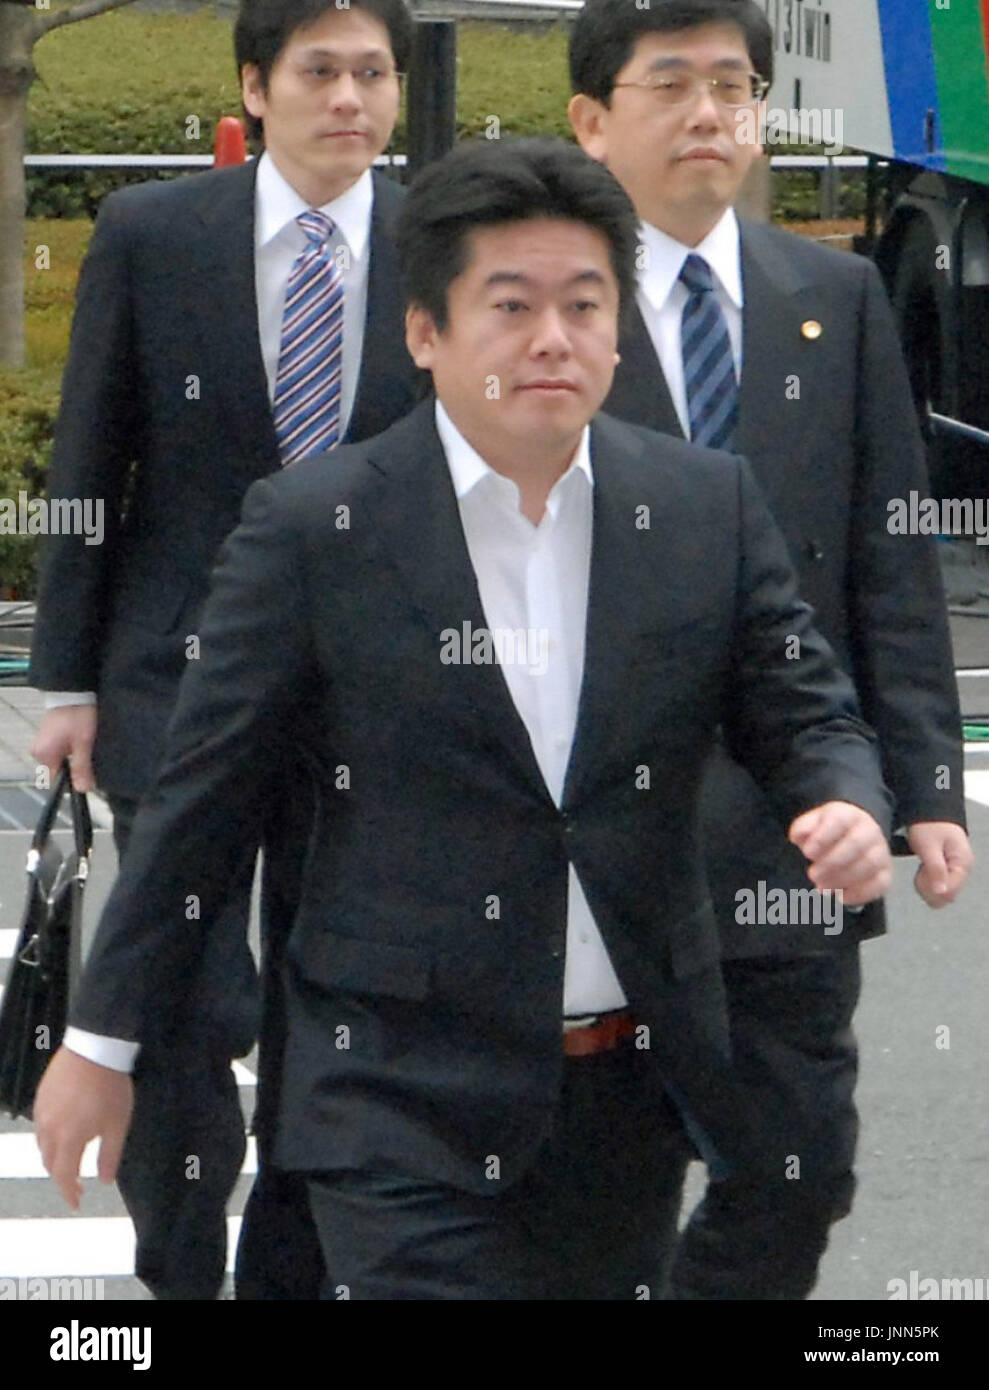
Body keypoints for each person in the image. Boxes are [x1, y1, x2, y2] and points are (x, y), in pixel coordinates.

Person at [34, 136, 897, 1301]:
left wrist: (840, 795)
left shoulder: (699, 507)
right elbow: (199, 802)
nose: (554, 337)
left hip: (622, 1079)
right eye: (512, 304)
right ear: (424, 332)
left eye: (585, 304)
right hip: (395, 1088)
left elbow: (800, 704)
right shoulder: (314, 528)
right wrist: (102, 1045)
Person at [567, 0, 972, 1299]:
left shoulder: (832, 294)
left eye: (735, 86)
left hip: (802, 828)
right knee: (605, 1183)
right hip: (601, 839)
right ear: (591, 119)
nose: (710, 112)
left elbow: (886, 559)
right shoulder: (539, 308)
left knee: (799, 1167)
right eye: (671, 82)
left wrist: (921, 785)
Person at [28, 0, 418, 1300]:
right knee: (181, 1010)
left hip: (370, 705)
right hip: (174, 687)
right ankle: (180, 1273)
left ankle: (286, 1276)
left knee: (330, 1015)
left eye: (372, 72)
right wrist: (67, 681)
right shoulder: (154, 235)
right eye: (319, 71)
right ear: (255, 83)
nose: (348, 99)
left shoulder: (441, 243)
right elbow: (92, 458)